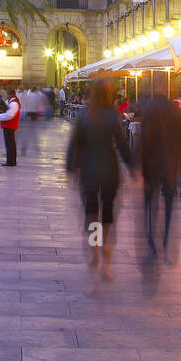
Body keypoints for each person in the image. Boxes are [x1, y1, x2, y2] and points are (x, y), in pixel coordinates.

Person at [65, 79, 133, 280]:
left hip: (89, 171)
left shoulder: (85, 115)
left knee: (92, 214)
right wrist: (132, 165)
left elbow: (74, 144)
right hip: (109, 171)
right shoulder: (112, 115)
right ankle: (106, 262)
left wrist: (71, 167)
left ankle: (95, 251)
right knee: (108, 216)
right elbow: (121, 143)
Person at [137, 92, 181, 261]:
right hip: (169, 165)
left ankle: (151, 238)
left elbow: (145, 139)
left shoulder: (150, 111)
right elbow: (180, 142)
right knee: (169, 203)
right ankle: (166, 238)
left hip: (152, 166)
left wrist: (137, 162)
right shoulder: (176, 111)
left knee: (151, 204)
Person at [0, 88, 20, 166]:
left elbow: (10, 115)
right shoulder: (11, 102)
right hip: (8, 125)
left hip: (10, 125)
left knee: (10, 144)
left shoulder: (14, 103)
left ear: (11, 94)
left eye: (7, 95)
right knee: (9, 143)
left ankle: (11, 161)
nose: (6, 96)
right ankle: (10, 160)